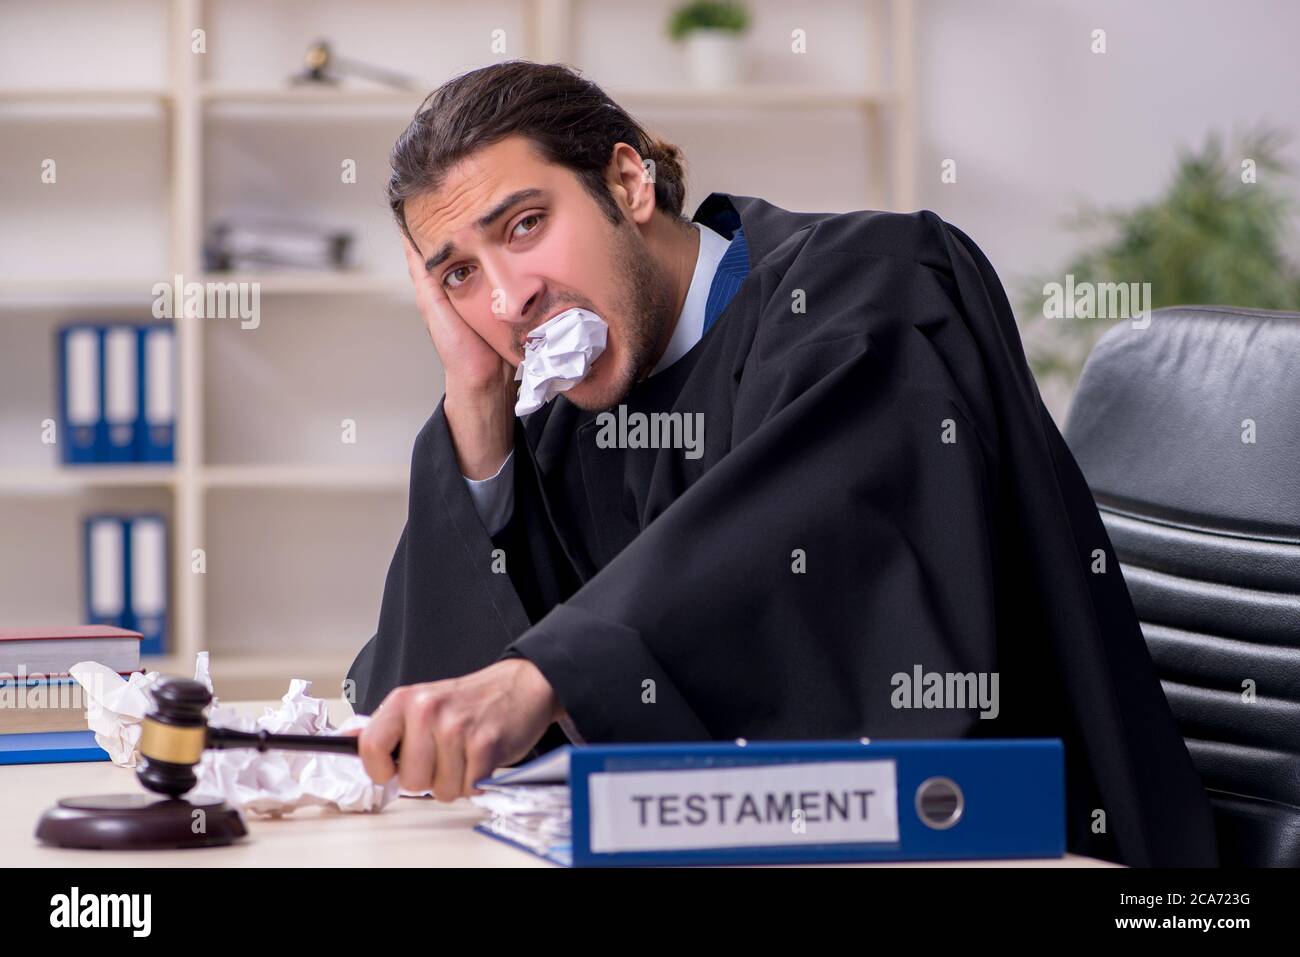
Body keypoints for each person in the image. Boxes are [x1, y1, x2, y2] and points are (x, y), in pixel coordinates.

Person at [345, 60, 1217, 867]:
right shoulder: (566, 414)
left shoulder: (873, 288)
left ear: (627, 181)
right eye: (458, 274)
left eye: (525, 225)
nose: (508, 298)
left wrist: (553, 672)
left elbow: (814, 541)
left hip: (1016, 849)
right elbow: (428, 714)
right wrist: (476, 402)